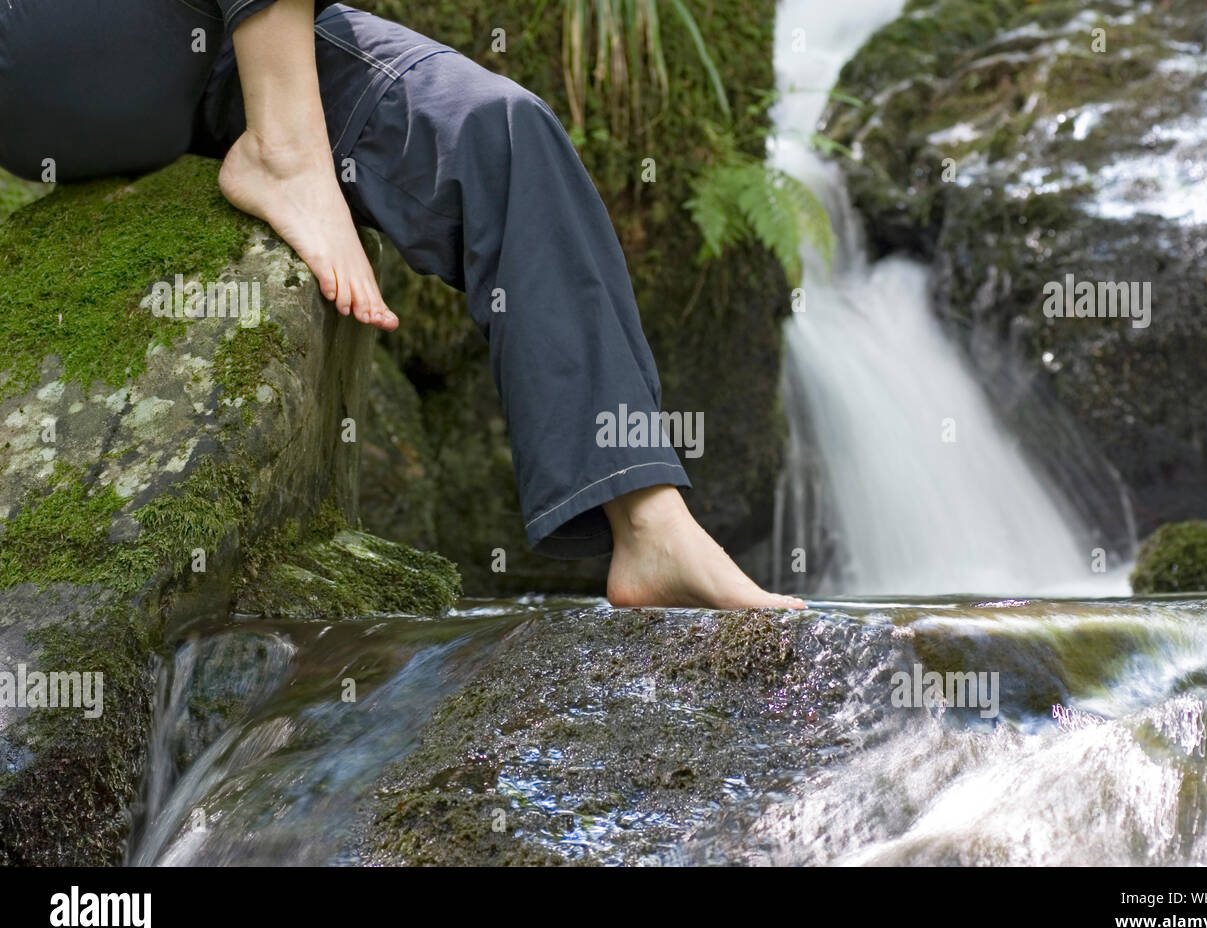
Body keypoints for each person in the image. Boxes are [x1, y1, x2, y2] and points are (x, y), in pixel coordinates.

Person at [0, 0, 804, 610]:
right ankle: (285, 148)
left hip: (217, 36)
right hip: (52, 40)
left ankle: (648, 524)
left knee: (503, 129)